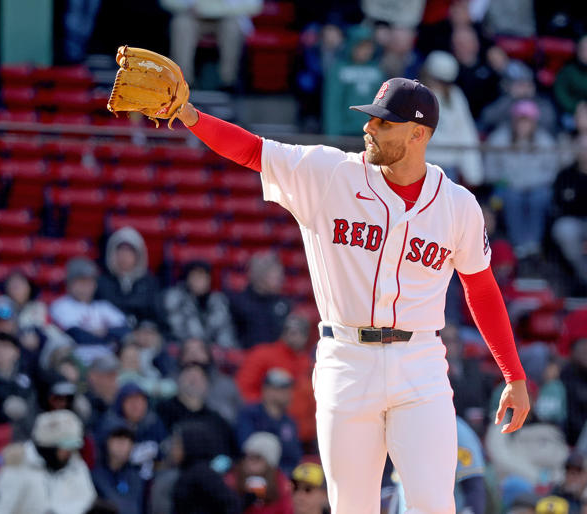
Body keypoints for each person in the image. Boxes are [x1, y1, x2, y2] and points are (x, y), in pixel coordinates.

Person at [172, 73, 528, 511]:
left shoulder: (457, 205)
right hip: (346, 359)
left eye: (384, 123)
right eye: (371, 118)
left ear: (418, 134)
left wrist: (513, 374)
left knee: (434, 505)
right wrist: (190, 115)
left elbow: (481, 286)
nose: (369, 128)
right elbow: (251, 150)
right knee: (352, 506)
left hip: (420, 365)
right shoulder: (330, 174)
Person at [485, 99, 559, 260]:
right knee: (510, 198)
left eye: (527, 121)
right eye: (520, 121)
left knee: (540, 197)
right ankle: (518, 245)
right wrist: (509, 181)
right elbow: (491, 170)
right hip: (507, 187)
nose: (523, 126)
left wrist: (530, 183)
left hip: (537, 187)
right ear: (513, 120)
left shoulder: (545, 140)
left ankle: (533, 244)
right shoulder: (499, 138)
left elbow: (552, 171)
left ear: (534, 123)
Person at [0, 410, 97, 514]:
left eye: (72, 447)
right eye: (64, 447)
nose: (69, 453)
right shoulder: (18, 467)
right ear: (49, 447)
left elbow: (88, 502)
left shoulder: (76, 466)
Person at [236, 315, 316, 443]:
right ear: (283, 332)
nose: (296, 337)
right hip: (268, 424)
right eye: (291, 331)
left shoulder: (308, 362)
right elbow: (244, 389)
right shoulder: (263, 354)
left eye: (301, 333)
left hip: (304, 433)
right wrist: (270, 410)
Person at [159, 0, 263, 90]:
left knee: (232, 27)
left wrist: (224, 10)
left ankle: (228, 82)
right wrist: (188, 6)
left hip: (228, 18)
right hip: (193, 17)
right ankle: (183, 81)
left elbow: (255, 6)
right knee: (181, 24)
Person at [420, 50, 484, 187]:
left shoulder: (456, 96)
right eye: (436, 79)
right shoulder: (414, 94)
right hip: (420, 166)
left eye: (444, 82)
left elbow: (465, 131)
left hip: (448, 166)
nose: (440, 85)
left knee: (446, 206)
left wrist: (473, 173)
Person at [157, 363, 237, 458]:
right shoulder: (163, 411)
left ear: (207, 385)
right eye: (189, 376)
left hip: (210, 470)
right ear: (178, 380)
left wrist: (217, 469)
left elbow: (228, 455)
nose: (193, 381)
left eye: (198, 377)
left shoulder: (216, 420)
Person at [236, 368, 302, 475]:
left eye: (288, 389)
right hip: (256, 475)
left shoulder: (289, 421)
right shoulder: (250, 414)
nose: (288, 393)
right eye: (281, 389)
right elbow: (247, 448)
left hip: (285, 476)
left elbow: (295, 456)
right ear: (267, 390)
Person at [51, 257, 130, 347]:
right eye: (81, 281)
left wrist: (104, 332)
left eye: (89, 281)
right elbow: (77, 336)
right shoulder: (61, 305)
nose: (85, 286)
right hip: (77, 355)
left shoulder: (103, 306)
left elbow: (125, 331)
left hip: (108, 355)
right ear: (69, 284)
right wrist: (108, 335)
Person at [97, 227, 165, 329]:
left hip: (142, 336)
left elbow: (156, 316)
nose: (124, 255)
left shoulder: (150, 283)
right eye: (120, 250)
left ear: (139, 254)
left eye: (129, 251)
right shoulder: (101, 283)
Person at [322, 24, 384, 137]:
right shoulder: (339, 69)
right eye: (361, 47)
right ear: (351, 45)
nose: (366, 51)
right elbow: (333, 103)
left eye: (369, 47)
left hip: (371, 130)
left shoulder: (377, 70)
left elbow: (382, 104)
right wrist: (333, 134)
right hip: (345, 131)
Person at [97, 382, 166, 479]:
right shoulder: (110, 425)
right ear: (121, 403)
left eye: (140, 401)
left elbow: (163, 454)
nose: (136, 406)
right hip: (117, 478)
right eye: (131, 401)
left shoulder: (153, 422)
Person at [171, 421, 242, 514]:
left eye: (178, 445)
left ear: (190, 445)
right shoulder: (188, 471)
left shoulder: (202, 473)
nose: (173, 450)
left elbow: (231, 502)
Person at [164, 259, 237, 348]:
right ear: (187, 279)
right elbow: (179, 332)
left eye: (203, 276)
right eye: (195, 276)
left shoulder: (219, 301)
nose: (199, 281)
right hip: (184, 351)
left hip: (215, 354)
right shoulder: (176, 299)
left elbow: (226, 334)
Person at [228, 251, 291, 349]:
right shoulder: (239, 303)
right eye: (276, 275)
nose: (281, 279)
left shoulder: (284, 303)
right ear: (260, 276)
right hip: (248, 358)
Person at [225, 431, 293, 514]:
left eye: (257, 458)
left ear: (270, 464)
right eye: (248, 456)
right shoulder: (232, 480)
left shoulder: (281, 485)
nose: (250, 462)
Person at [178, 337, 242, 424]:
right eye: (188, 351)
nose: (194, 355)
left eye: (199, 351)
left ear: (208, 355)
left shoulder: (226, 384)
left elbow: (236, 415)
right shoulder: (173, 383)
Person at [552, 133, 587, 286]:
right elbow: (561, 205)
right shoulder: (566, 174)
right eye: (582, 148)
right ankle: (583, 276)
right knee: (564, 229)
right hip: (575, 222)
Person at [90, 425, 146, 514]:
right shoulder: (94, 476)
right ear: (107, 442)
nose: (123, 444)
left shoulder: (137, 477)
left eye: (127, 440)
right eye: (118, 438)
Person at [554, 35, 587, 128]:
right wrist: (575, 107)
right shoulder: (567, 71)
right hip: (572, 112)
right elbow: (560, 94)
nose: (585, 52)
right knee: (567, 122)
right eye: (582, 48)